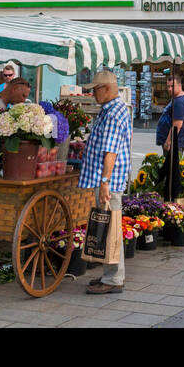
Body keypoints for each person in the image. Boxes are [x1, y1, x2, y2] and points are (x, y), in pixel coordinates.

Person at [77, 69, 131, 294]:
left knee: (110, 230)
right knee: (109, 227)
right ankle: (110, 275)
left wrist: (104, 183)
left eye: (95, 90)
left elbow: (110, 152)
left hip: (109, 181)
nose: (93, 94)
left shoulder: (112, 114)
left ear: (106, 89)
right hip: (108, 180)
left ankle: (113, 280)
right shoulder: (112, 109)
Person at [157, 76, 184, 156]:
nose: (169, 89)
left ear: (180, 85)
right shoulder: (177, 99)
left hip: (174, 144)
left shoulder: (180, 102)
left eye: (172, 86)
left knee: (171, 167)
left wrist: (168, 142)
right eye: (168, 86)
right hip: (175, 143)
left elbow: (177, 125)